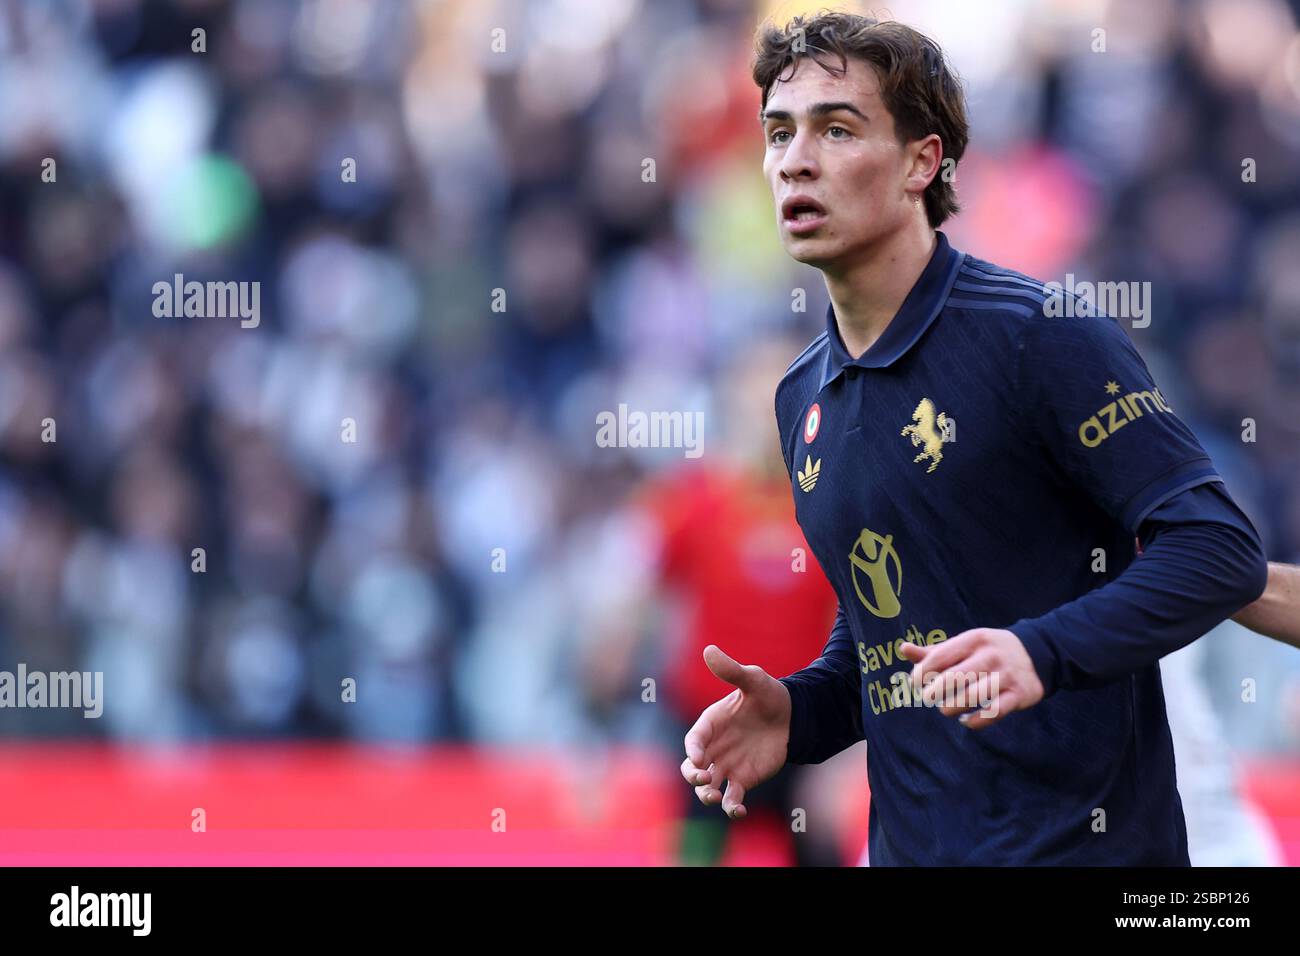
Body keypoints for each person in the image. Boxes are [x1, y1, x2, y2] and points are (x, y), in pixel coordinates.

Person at [680, 12, 1276, 865]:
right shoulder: (800, 398)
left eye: (836, 129)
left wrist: (1043, 650)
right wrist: (804, 710)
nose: (795, 160)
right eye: (780, 133)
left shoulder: (1040, 334)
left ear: (924, 161)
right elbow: (888, 632)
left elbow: (1219, 551)